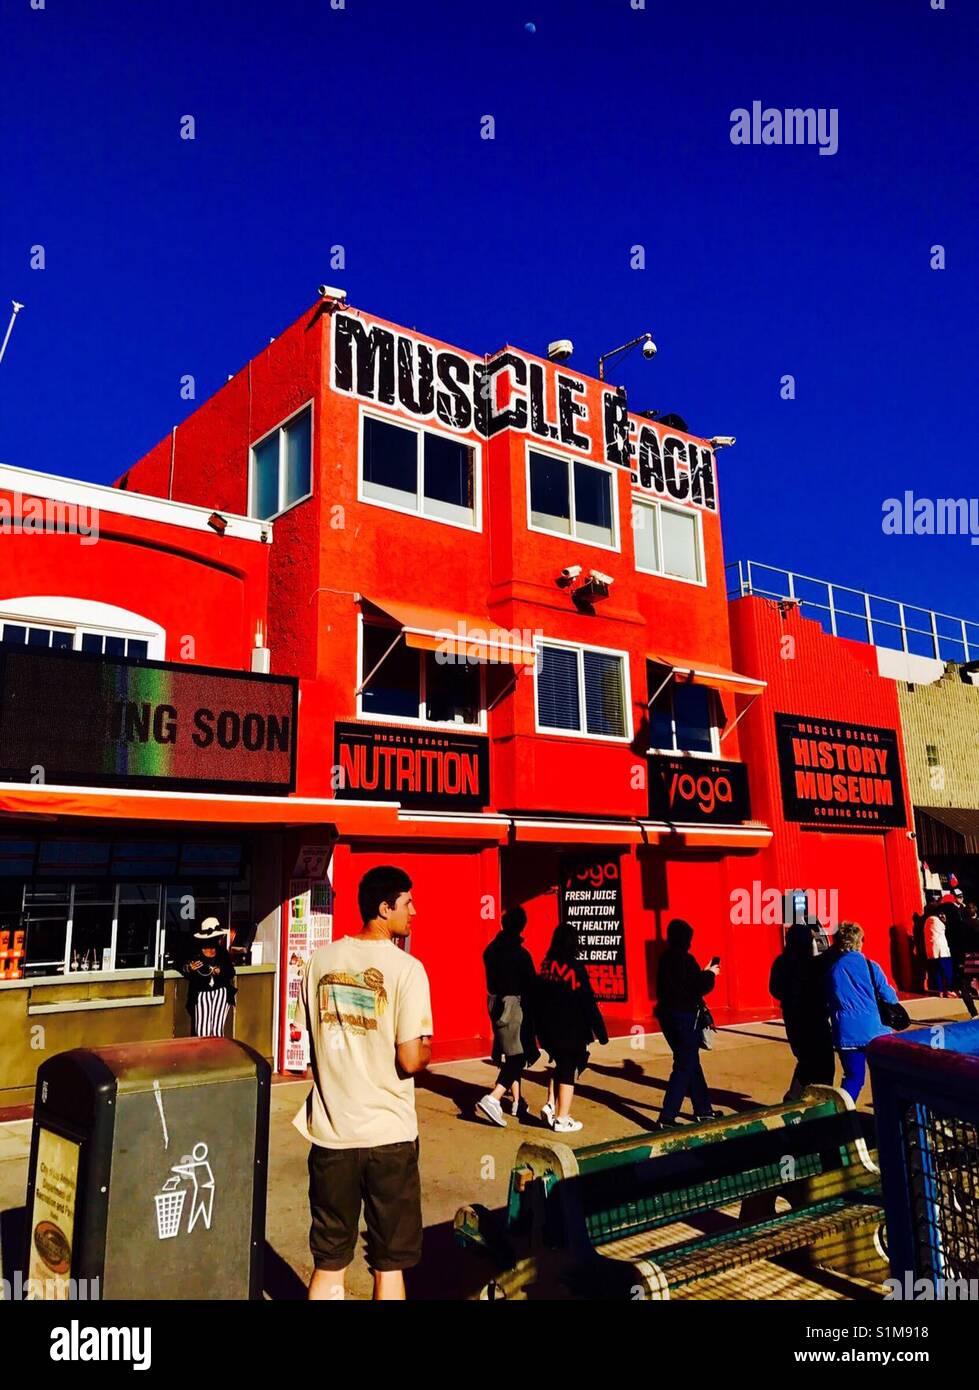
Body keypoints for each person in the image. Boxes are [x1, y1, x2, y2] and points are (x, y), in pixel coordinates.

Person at [292, 866, 433, 1301]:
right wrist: (428, 1046)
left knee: (329, 1262)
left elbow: (310, 1046)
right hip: (389, 1136)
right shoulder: (407, 969)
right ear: (383, 908)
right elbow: (411, 1059)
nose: (414, 911)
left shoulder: (319, 962)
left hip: (333, 1136)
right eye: (407, 903)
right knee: (388, 1266)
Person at [534, 924, 608, 1134]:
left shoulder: (547, 966)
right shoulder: (575, 968)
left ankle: (551, 1105)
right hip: (570, 1029)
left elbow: (538, 997)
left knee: (561, 1065)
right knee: (569, 1070)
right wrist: (600, 1031)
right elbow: (587, 1002)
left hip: (549, 1029)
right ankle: (562, 1118)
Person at [476, 907, 540, 1127]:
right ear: (521, 926)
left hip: (495, 1004)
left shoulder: (491, 950)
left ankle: (516, 1101)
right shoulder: (520, 955)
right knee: (518, 1057)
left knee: (510, 1053)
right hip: (514, 1006)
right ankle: (493, 1098)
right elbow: (532, 984)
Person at [654, 919, 719, 1127]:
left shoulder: (665, 959)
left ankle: (703, 1109)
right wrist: (710, 973)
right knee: (684, 1065)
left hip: (667, 1017)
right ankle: (667, 1116)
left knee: (691, 1062)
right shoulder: (686, 960)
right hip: (684, 1018)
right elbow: (698, 986)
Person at [825, 921, 900, 1103]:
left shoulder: (832, 970)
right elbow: (890, 997)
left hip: (846, 1032)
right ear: (860, 941)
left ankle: (843, 1119)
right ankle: (889, 1115)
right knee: (885, 1076)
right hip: (874, 1030)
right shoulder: (871, 966)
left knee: (853, 1078)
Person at [769, 922, 836, 1099]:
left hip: (793, 1020)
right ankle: (814, 1101)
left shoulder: (781, 962)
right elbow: (829, 958)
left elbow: (774, 989)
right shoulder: (812, 964)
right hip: (816, 1022)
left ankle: (794, 1096)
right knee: (823, 1065)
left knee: (805, 1061)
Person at [182, 918, 237, 1037]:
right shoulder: (195, 952)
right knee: (203, 1030)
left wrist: (220, 971)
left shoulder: (222, 952)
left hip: (221, 993)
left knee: (217, 1030)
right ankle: (203, 1055)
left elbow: (231, 972)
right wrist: (189, 968)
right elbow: (183, 968)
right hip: (201, 994)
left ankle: (217, 1055)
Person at [923, 905, 954, 997]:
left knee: (937, 972)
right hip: (941, 950)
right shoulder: (935, 920)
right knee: (946, 971)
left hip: (932, 951)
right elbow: (945, 927)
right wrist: (944, 920)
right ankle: (949, 990)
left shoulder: (926, 921)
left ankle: (940, 990)